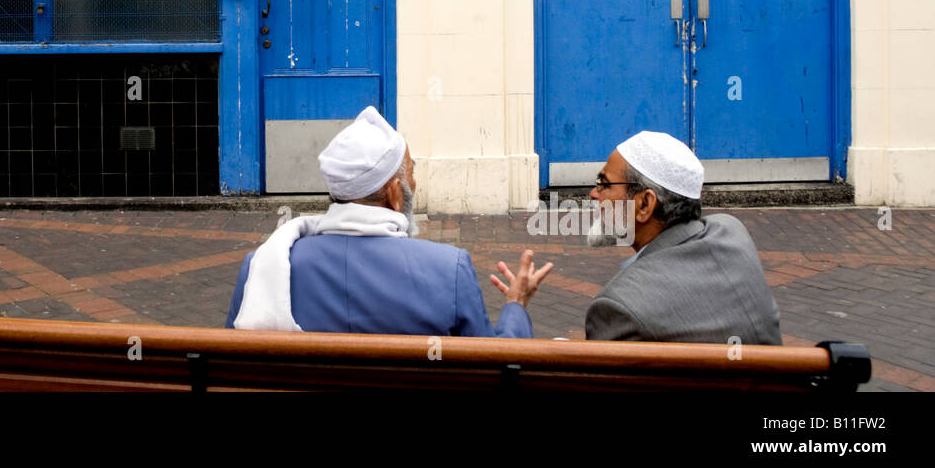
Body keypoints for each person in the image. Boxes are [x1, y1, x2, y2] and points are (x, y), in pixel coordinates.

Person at [226, 106, 551, 336]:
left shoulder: (266, 268)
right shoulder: (449, 270)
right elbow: (499, 374)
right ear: (395, 194)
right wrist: (515, 306)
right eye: (412, 172)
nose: (415, 182)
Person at [584, 130, 782, 345]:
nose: (594, 194)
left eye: (604, 184)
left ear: (644, 204)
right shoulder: (732, 232)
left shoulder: (619, 307)